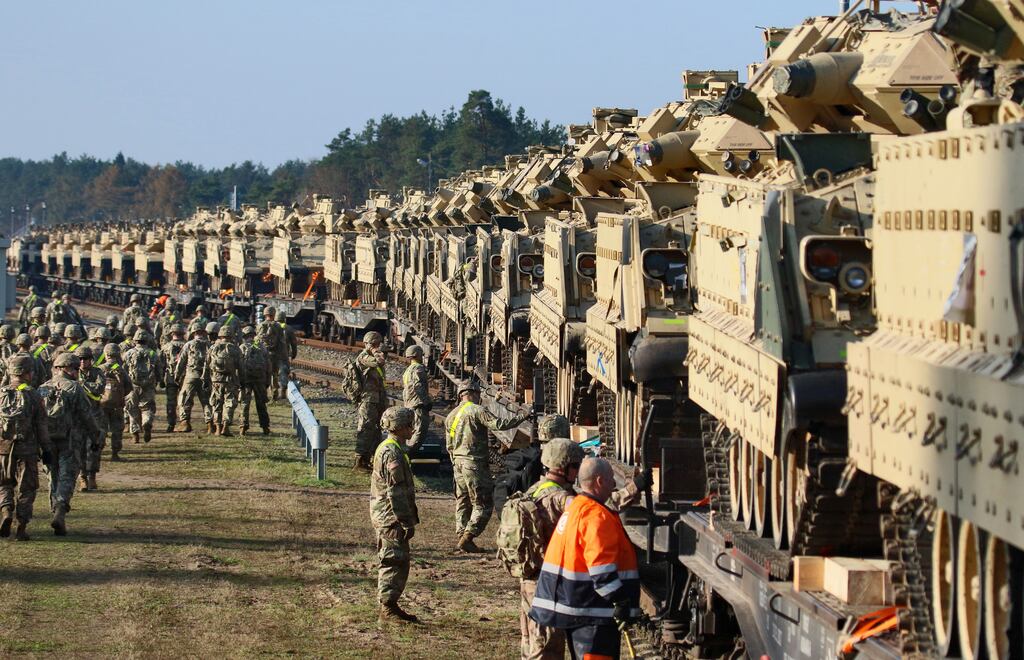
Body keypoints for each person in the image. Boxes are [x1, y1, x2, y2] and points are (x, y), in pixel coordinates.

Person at [512, 439, 647, 659]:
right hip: (554, 585)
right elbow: (597, 505)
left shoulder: (537, 489)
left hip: (535, 578)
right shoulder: (561, 498)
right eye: (575, 466)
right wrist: (634, 488)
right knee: (546, 649)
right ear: (562, 467)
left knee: (532, 645)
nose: (576, 472)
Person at [444, 380, 530, 552]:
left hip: (458, 463)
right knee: (483, 503)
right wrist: (523, 416)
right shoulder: (476, 410)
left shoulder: (451, 415)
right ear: (474, 393)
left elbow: (449, 445)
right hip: (473, 463)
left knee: (463, 500)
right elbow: (498, 425)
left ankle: (461, 534)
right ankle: (468, 537)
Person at [38, 352, 100, 536]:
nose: (77, 372)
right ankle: (60, 510)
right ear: (67, 369)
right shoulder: (74, 388)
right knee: (67, 475)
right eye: (75, 368)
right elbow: (87, 416)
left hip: (47, 440)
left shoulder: (42, 388)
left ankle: (54, 510)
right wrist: (96, 437)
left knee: (52, 476)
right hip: (71, 440)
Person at [371, 406, 420, 624]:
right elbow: (396, 492)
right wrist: (406, 520)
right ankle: (387, 607)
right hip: (391, 518)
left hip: (389, 515)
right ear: (398, 427)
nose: (413, 428)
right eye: (409, 424)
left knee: (399, 560)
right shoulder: (392, 453)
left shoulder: (392, 447)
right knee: (393, 561)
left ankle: (391, 604)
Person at [0, 354, 53, 541]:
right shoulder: (34, 395)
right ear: (28, 373)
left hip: (3, 449)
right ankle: (21, 527)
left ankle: (6, 511)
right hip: (27, 449)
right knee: (27, 488)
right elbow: (42, 426)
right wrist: (46, 450)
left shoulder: (1, 393)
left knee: (4, 484)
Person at [353, 331, 388, 472]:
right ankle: (359, 461)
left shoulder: (372, 355)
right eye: (375, 344)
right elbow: (379, 361)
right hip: (368, 400)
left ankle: (371, 458)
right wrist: (376, 352)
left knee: (376, 430)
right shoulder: (363, 357)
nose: (377, 347)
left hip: (377, 399)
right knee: (366, 429)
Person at [75, 346, 106, 491]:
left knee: (95, 447)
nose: (82, 362)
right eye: (80, 359)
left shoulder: (97, 372)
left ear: (90, 360)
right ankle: (82, 477)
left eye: (85, 359)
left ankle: (92, 476)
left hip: (95, 415)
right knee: (79, 447)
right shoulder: (73, 373)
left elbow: (100, 388)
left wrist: (83, 384)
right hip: (78, 418)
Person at [175, 322, 214, 433]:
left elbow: (181, 361)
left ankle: (185, 423)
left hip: (191, 375)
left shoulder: (188, 344)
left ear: (193, 332)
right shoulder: (210, 345)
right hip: (206, 377)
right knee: (207, 401)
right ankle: (210, 424)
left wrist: (177, 376)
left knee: (184, 399)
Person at [123, 329, 160, 444]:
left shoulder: (128, 353)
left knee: (132, 409)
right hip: (148, 385)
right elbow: (159, 369)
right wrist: (158, 380)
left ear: (135, 340)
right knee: (147, 408)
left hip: (132, 385)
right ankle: (146, 422)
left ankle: (135, 435)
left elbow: (123, 369)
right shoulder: (153, 353)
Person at [207, 325, 242, 436]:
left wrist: (206, 378)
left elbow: (207, 364)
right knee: (229, 403)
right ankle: (225, 427)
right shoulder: (236, 348)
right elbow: (240, 366)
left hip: (216, 380)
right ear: (231, 335)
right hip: (230, 380)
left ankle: (217, 428)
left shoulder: (213, 347)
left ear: (220, 335)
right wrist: (241, 380)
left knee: (216, 403)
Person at [98, 343, 129, 461]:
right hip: (117, 405)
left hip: (102, 404)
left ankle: (98, 452)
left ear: (106, 354)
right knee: (117, 430)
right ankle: (115, 454)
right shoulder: (121, 370)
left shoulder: (99, 369)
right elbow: (129, 386)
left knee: (101, 429)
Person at [239, 326, 271, 435]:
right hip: (260, 379)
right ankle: (265, 427)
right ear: (254, 335)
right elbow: (268, 365)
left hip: (246, 380)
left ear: (244, 336)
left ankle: (243, 427)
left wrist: (238, 380)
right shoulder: (262, 347)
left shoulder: (242, 347)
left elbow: (239, 365)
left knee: (244, 403)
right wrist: (268, 380)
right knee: (261, 404)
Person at [401, 345, 430, 451]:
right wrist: (426, 401)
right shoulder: (419, 368)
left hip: (409, 403)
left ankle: (408, 450)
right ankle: (410, 452)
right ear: (417, 355)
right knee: (419, 430)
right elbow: (418, 386)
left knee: (411, 429)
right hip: (418, 403)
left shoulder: (408, 370)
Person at [159, 324, 186, 432]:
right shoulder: (187, 345)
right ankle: (184, 422)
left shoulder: (165, 347)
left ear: (172, 333)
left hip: (170, 377)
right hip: (184, 378)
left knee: (171, 402)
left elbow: (161, 365)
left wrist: (161, 379)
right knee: (183, 400)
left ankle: (171, 424)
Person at [256, 307, 284, 400]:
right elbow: (281, 342)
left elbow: (257, 341)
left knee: (263, 374)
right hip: (274, 354)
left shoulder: (260, 325)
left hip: (262, 355)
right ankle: (274, 395)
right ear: (274, 314)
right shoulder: (278, 326)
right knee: (274, 375)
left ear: (265, 314)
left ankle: (263, 394)